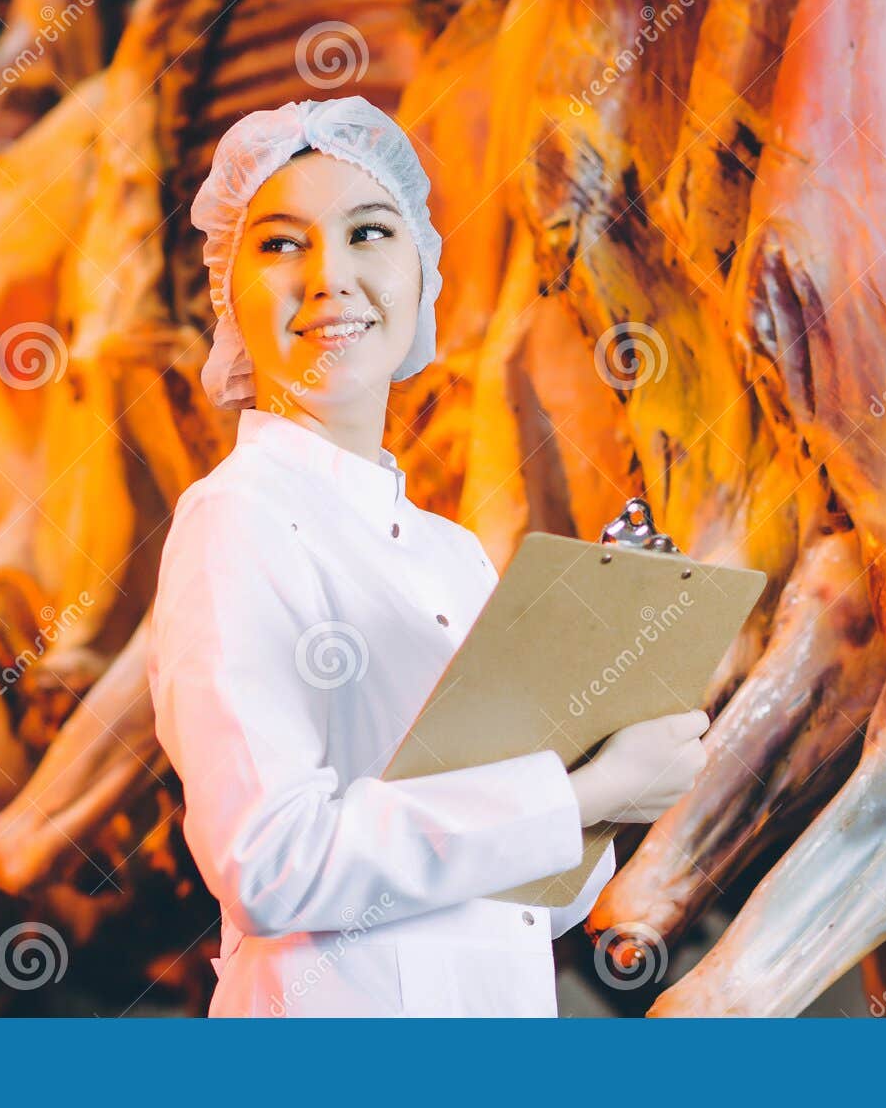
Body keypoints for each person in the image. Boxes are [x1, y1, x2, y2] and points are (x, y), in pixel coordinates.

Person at [146, 95, 708, 1017]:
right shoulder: (235, 520)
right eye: (281, 244)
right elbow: (272, 863)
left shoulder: (454, 555)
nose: (330, 277)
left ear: (422, 275)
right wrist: (579, 793)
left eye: (369, 232)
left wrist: (613, 770)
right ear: (230, 297)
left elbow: (539, 902)